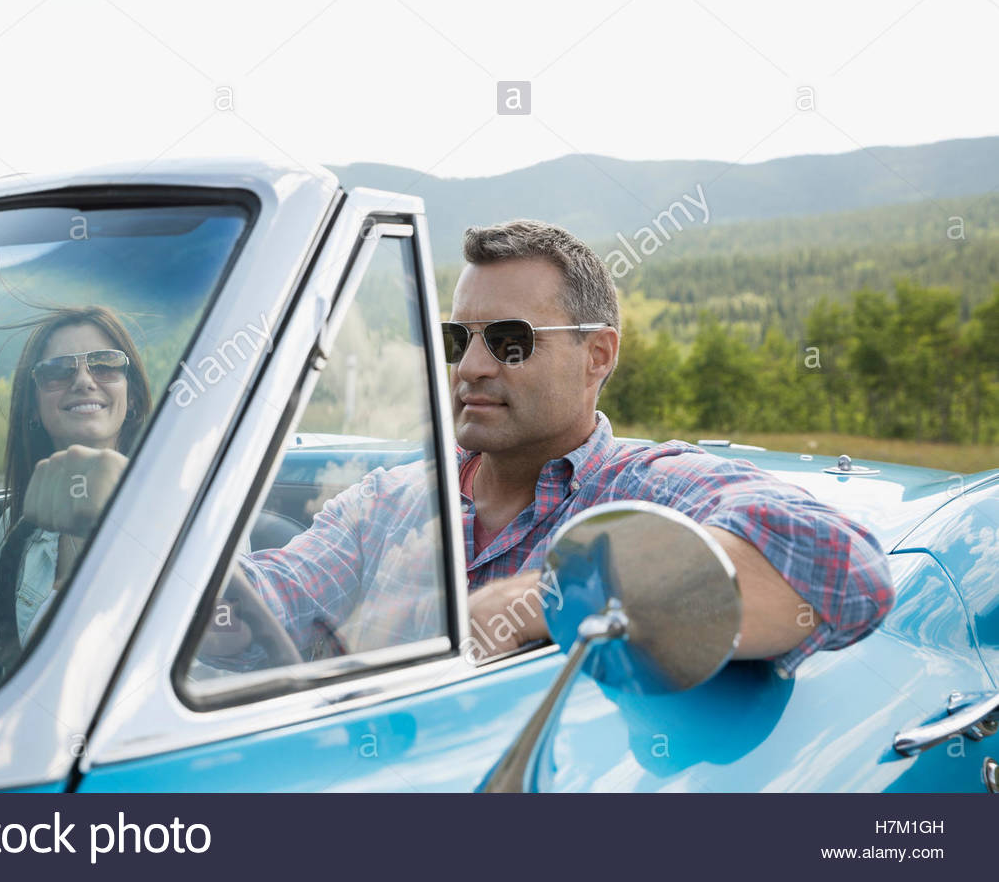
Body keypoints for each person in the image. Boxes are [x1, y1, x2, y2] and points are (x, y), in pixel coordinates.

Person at [211, 219, 895, 676]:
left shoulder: (648, 491)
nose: (472, 366)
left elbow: (843, 567)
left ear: (598, 355)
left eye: (509, 341)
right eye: (459, 340)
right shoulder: (388, 504)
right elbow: (271, 599)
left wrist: (552, 599)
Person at [0, 305, 151, 675]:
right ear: (34, 407)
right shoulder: (21, 518)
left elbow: (209, 658)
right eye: (58, 371)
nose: (83, 380)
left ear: (134, 398)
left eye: (105, 364)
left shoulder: (187, 508)